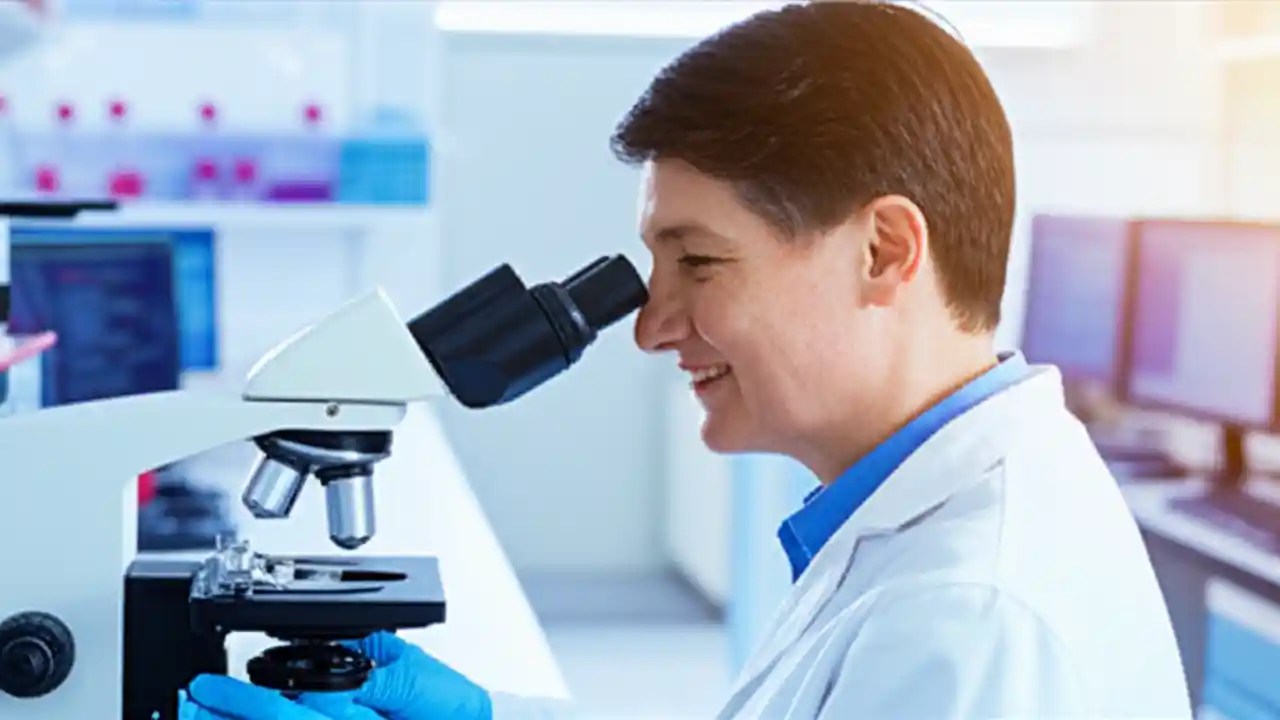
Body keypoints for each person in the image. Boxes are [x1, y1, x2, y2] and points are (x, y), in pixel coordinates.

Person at [182, 2, 1193, 718]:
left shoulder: (967, 623)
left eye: (697, 263)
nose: (649, 327)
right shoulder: (918, 517)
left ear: (881, 251)